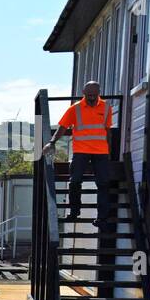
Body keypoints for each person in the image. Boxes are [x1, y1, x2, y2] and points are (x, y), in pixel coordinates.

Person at [43, 81, 114, 226]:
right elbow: (62, 127)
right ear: (83, 93)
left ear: (99, 93)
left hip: (101, 152)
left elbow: (108, 130)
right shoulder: (75, 109)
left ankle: (102, 218)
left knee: (103, 184)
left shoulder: (107, 107)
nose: (92, 98)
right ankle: (74, 212)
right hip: (81, 151)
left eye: (94, 95)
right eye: (89, 95)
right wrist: (52, 142)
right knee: (74, 182)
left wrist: (110, 151)